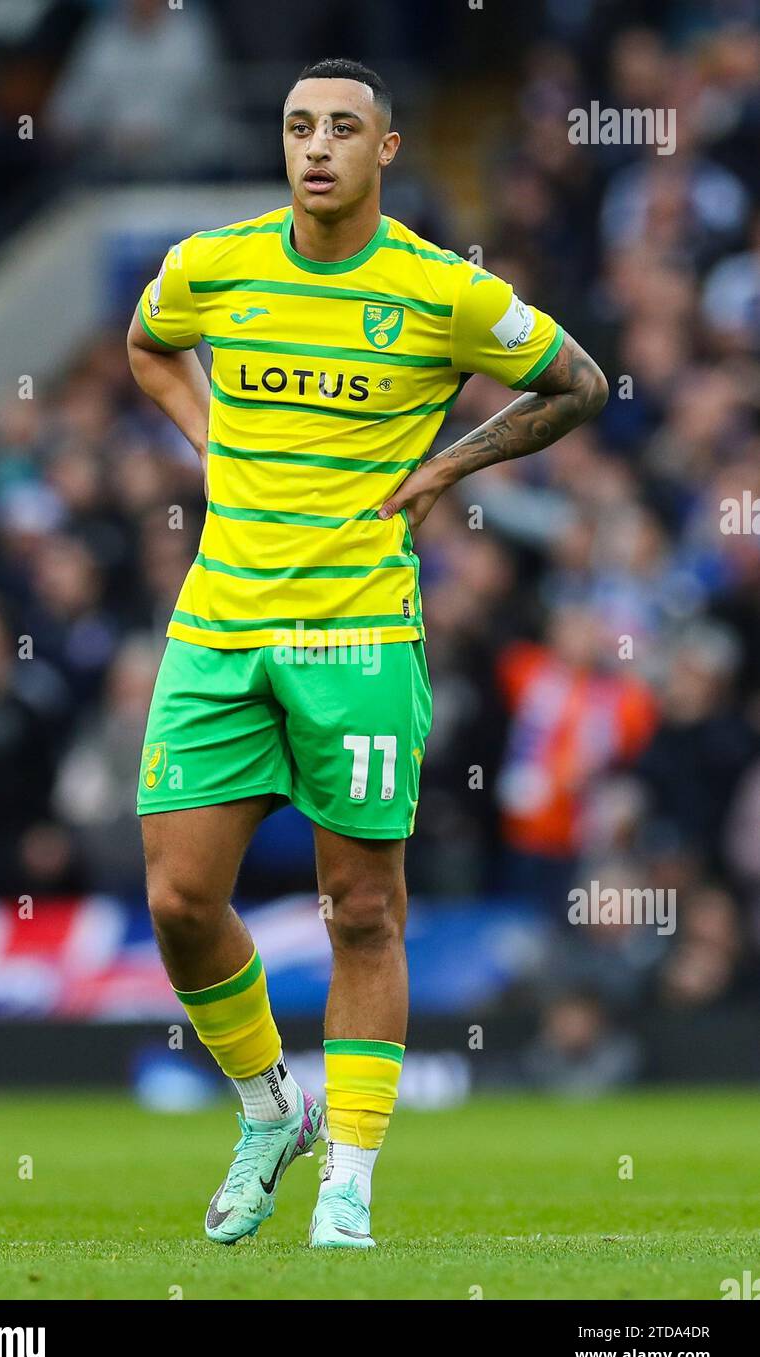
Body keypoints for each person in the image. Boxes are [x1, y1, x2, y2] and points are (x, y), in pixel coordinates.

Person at [126, 57, 608, 1249]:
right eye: (299, 127)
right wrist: (210, 443)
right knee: (181, 900)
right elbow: (148, 343)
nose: (318, 146)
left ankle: (350, 1173)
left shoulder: (440, 290)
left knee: (361, 910)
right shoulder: (213, 265)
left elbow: (577, 382)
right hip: (220, 625)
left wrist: (446, 465)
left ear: (385, 150)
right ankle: (263, 1109)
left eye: (343, 127)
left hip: (358, 635)